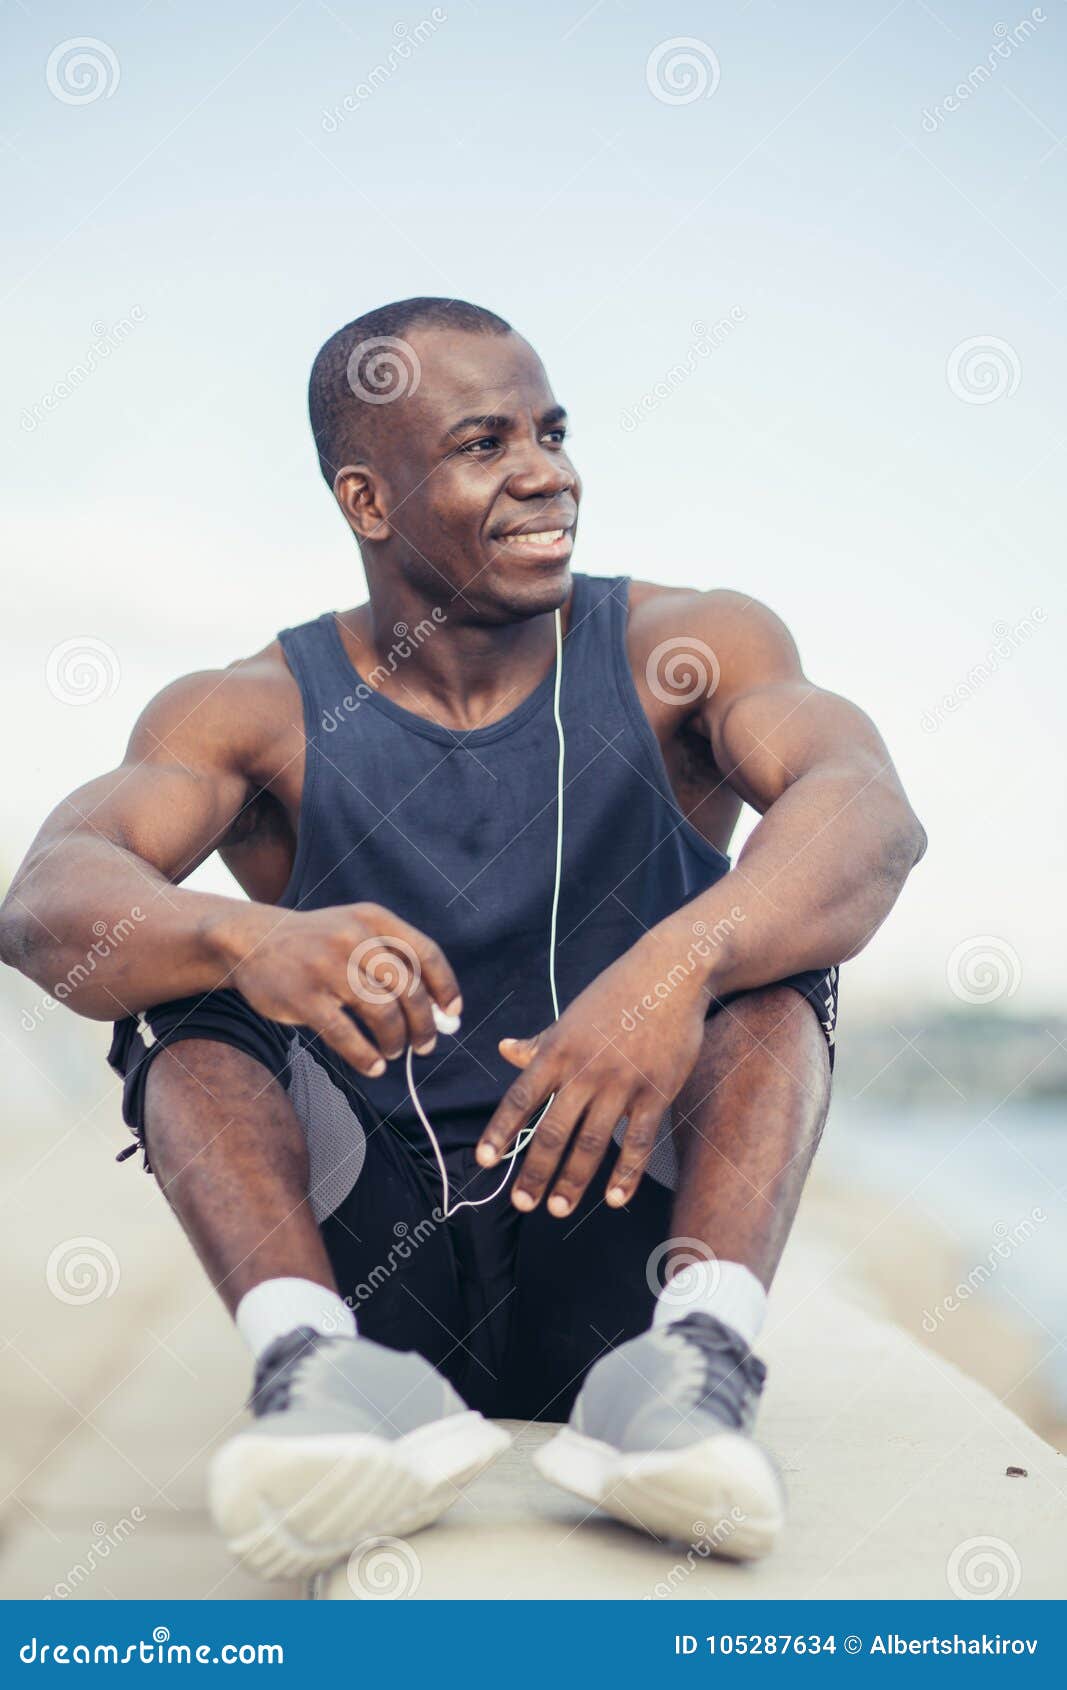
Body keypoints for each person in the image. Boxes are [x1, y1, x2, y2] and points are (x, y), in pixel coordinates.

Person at [0, 297, 925, 1580]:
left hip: (618, 1234)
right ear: (368, 503)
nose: (547, 471)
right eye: (485, 443)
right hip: (372, 1266)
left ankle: (694, 1372)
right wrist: (241, 935)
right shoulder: (249, 709)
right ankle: (311, 1370)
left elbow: (864, 814)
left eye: (551, 430)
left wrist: (675, 962)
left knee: (772, 957)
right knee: (177, 992)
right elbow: (50, 893)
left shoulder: (687, 646)